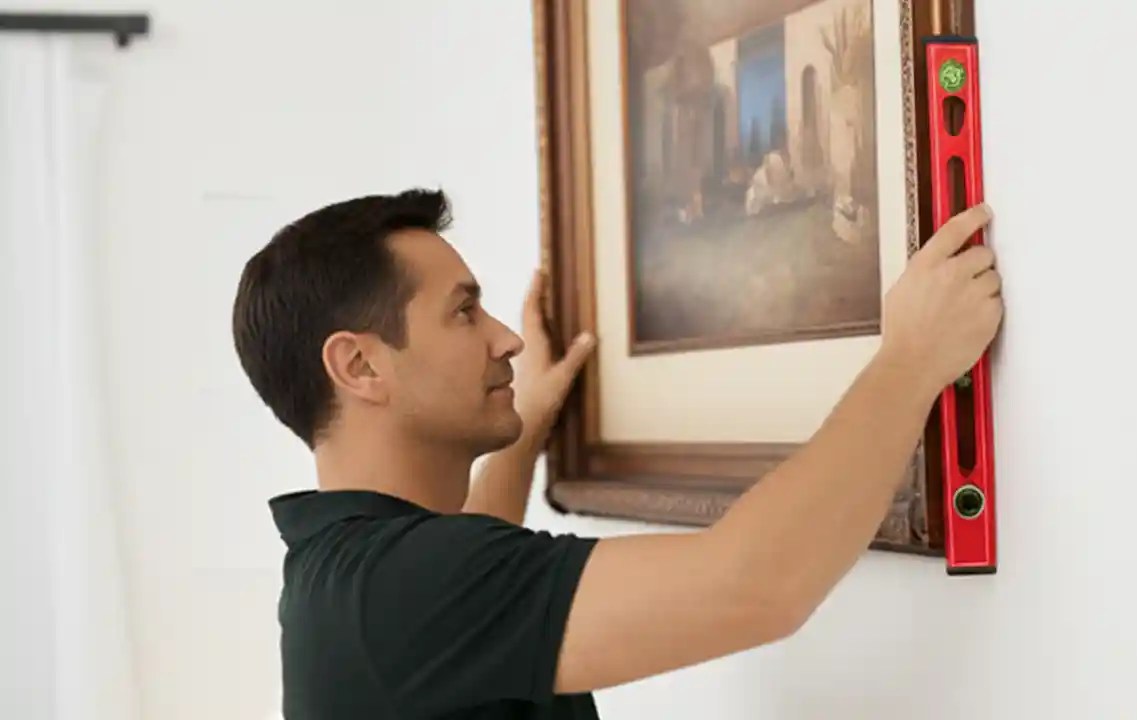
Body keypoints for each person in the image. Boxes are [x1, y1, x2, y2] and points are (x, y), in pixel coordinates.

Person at [231, 188, 1002, 719]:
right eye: (464, 313)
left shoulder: (343, 570)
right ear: (360, 366)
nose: (505, 337)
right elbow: (756, 587)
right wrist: (912, 356)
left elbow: (472, 563)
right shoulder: (402, 590)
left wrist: (525, 421)